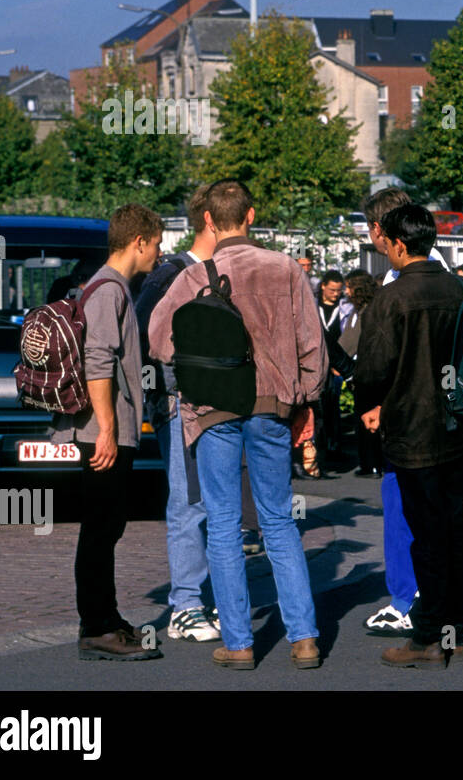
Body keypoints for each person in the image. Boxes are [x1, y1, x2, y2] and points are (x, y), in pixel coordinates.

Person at [149, 180, 326, 671]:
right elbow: (312, 344)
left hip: (212, 410)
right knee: (277, 520)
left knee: (223, 524)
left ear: (208, 220)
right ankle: (304, 637)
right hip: (272, 406)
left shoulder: (194, 276)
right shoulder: (285, 269)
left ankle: (240, 641)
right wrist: (306, 401)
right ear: (251, 214)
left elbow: (160, 341)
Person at [357, 188, 463, 648]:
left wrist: (373, 408)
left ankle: (431, 634)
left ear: (394, 242)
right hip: (458, 426)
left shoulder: (391, 297)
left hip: (411, 430)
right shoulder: (462, 289)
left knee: (424, 535)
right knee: (454, 530)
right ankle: (462, 622)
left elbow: (371, 369)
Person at [53, 204, 164, 661]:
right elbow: (97, 361)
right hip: (102, 434)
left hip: (108, 431)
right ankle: (96, 626)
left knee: (107, 525)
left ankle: (106, 616)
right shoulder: (109, 291)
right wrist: (106, 428)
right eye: (157, 244)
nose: (159, 253)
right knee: (99, 529)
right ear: (138, 241)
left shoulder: (110, 287)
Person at [133, 187, 221, 642]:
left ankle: (205, 598)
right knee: (189, 503)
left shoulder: (220, 269)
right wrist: (162, 400)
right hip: (180, 405)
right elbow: (143, 340)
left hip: (216, 405)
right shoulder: (170, 275)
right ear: (211, 221)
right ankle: (186, 603)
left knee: (210, 503)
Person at [339, 269, 384, 478]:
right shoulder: (372, 309)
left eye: (348, 286)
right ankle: (375, 463)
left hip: (364, 372)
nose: (346, 291)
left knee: (364, 419)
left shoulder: (362, 313)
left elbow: (349, 343)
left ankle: (370, 464)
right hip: (374, 371)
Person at [315, 270, 347, 468]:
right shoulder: (312, 306)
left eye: (339, 290)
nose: (336, 294)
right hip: (318, 364)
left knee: (333, 407)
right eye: (332, 290)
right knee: (318, 407)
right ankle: (320, 447)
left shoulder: (344, 309)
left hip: (336, 367)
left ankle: (334, 445)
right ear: (323, 287)